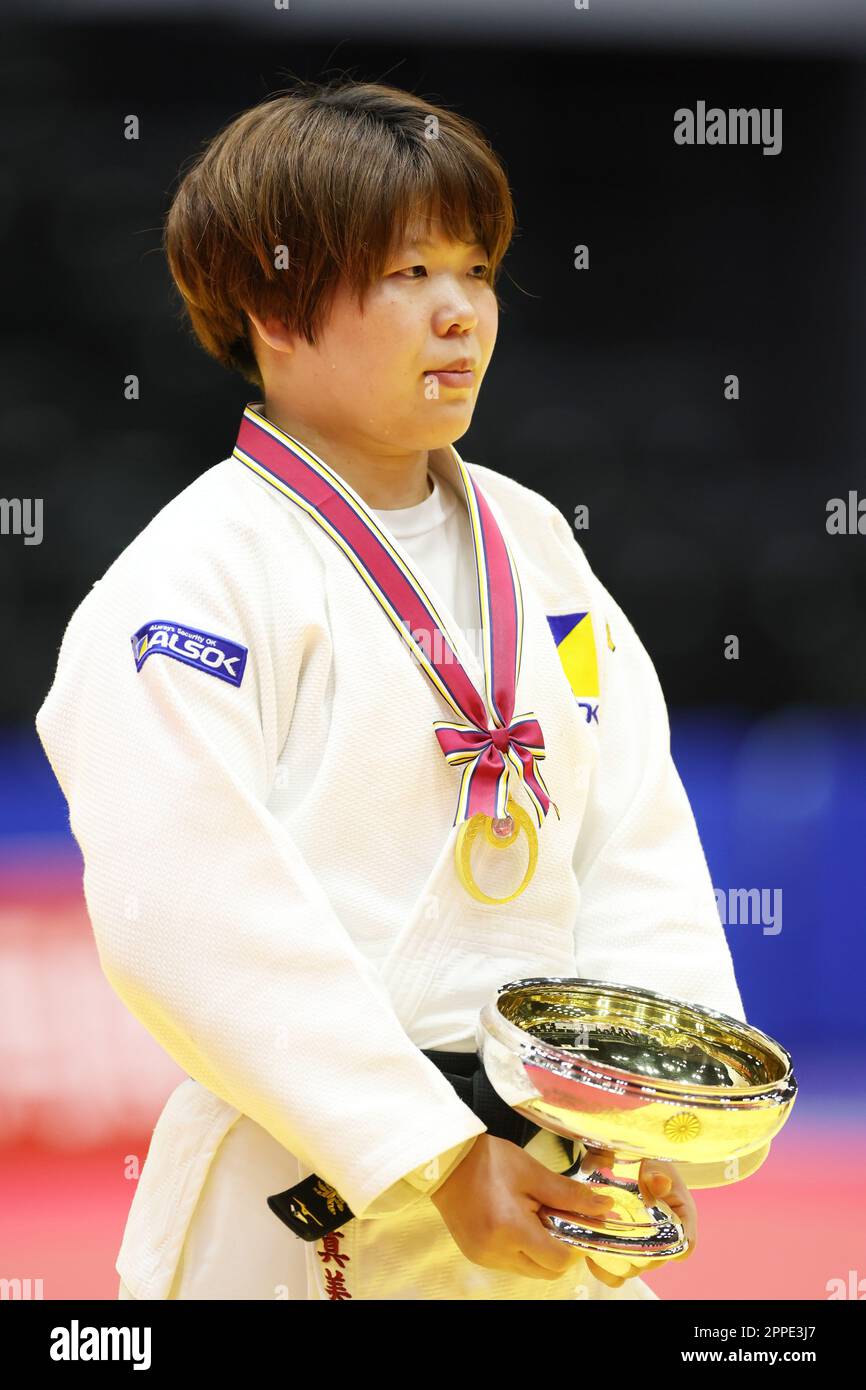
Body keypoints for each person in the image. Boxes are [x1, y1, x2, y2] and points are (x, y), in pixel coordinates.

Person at [35, 79, 751, 1302]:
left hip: (547, 1174)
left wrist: (640, 1104)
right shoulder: (192, 581)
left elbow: (632, 831)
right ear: (271, 300)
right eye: (407, 274)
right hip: (308, 1192)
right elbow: (193, 919)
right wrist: (427, 1149)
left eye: (474, 272)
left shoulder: (534, 545)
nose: (459, 314)